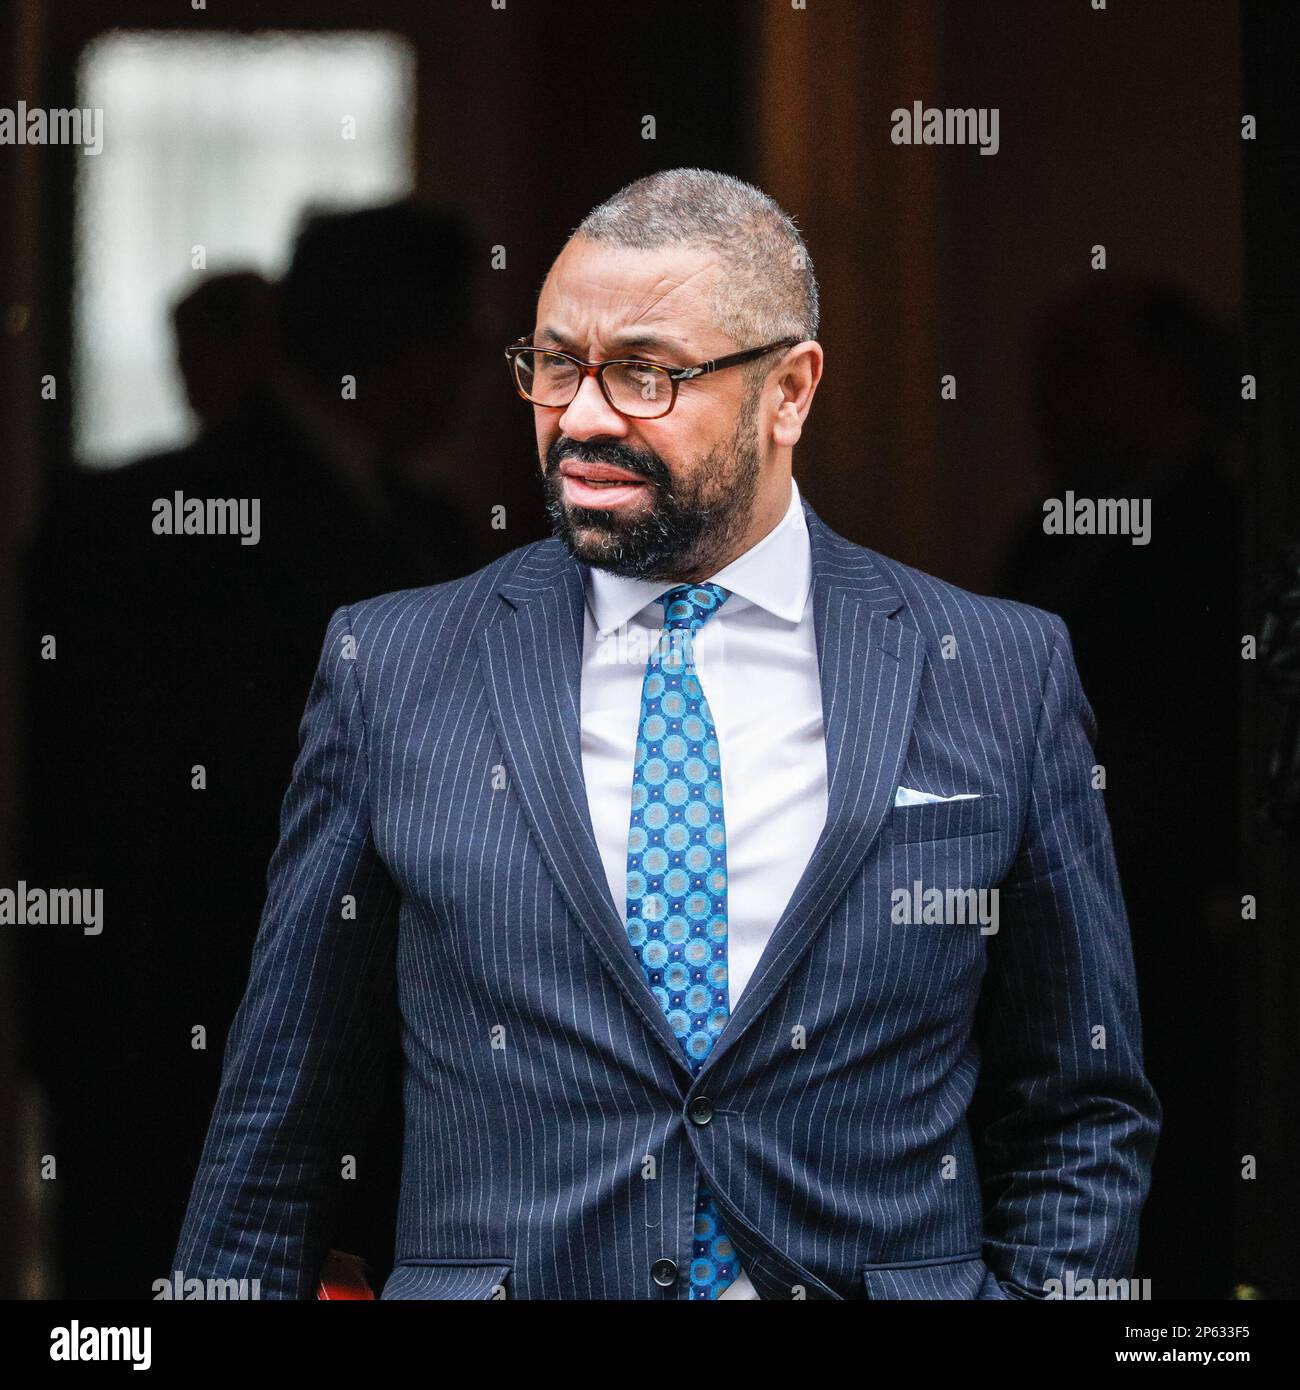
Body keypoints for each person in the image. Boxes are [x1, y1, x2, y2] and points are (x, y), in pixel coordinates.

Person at [173, 168, 1160, 1300]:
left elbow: (1080, 1105)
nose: (583, 417)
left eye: (646, 373)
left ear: (788, 391)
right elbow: (279, 1120)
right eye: (555, 365)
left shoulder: (997, 671)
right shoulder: (391, 667)